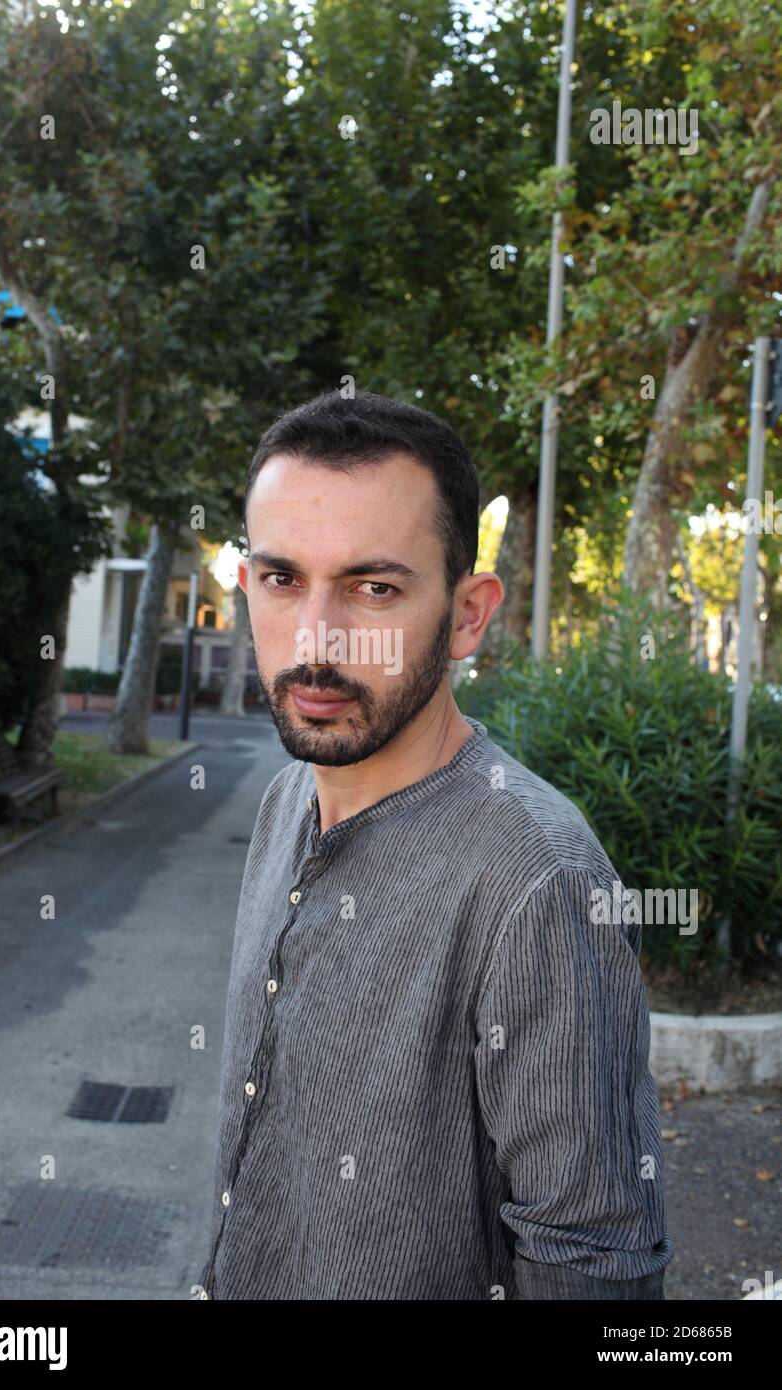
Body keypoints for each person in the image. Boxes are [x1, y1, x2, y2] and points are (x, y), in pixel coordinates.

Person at [198, 388, 673, 1300]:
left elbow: (595, 1265)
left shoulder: (537, 883)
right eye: (282, 579)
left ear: (467, 614)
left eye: (375, 588)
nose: (314, 641)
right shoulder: (287, 797)